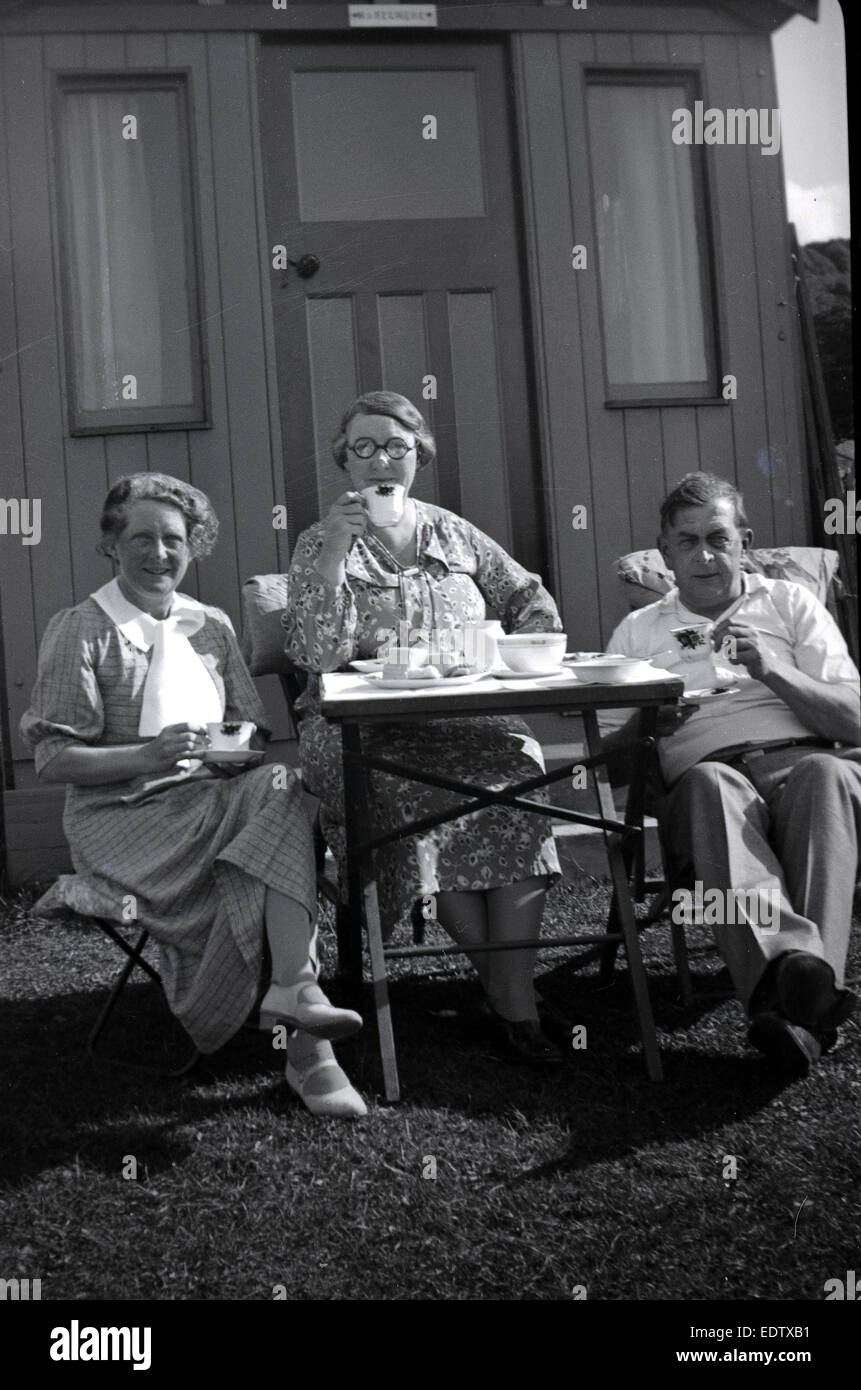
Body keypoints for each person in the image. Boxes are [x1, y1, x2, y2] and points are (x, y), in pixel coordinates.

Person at [21, 473, 366, 1119]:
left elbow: (251, 725)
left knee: (280, 785)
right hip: (122, 818)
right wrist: (146, 755)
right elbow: (53, 759)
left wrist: (227, 746)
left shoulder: (209, 625)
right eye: (141, 538)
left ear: (193, 545)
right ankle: (307, 1046)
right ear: (111, 545)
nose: (159, 553)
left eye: (174, 539)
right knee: (279, 818)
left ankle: (295, 997)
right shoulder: (81, 630)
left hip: (211, 797)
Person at [282, 391, 564, 1063]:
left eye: (396, 446)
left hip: (467, 718)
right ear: (343, 461)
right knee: (428, 799)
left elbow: (530, 598)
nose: (381, 458)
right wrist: (333, 554)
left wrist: (527, 647)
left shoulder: (454, 534)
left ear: (419, 457)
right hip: (363, 734)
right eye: (364, 447)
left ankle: (504, 994)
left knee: (516, 780)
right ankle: (516, 1008)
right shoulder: (321, 541)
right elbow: (316, 657)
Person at [603, 471, 860, 1075]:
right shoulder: (637, 633)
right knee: (713, 788)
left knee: (828, 775)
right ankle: (808, 994)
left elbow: (854, 720)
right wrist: (650, 726)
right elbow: (607, 764)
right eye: (687, 543)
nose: (705, 555)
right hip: (707, 775)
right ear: (666, 555)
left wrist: (774, 671)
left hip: (807, 760)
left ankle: (787, 994)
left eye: (718, 538)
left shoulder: (791, 604)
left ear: (744, 541)